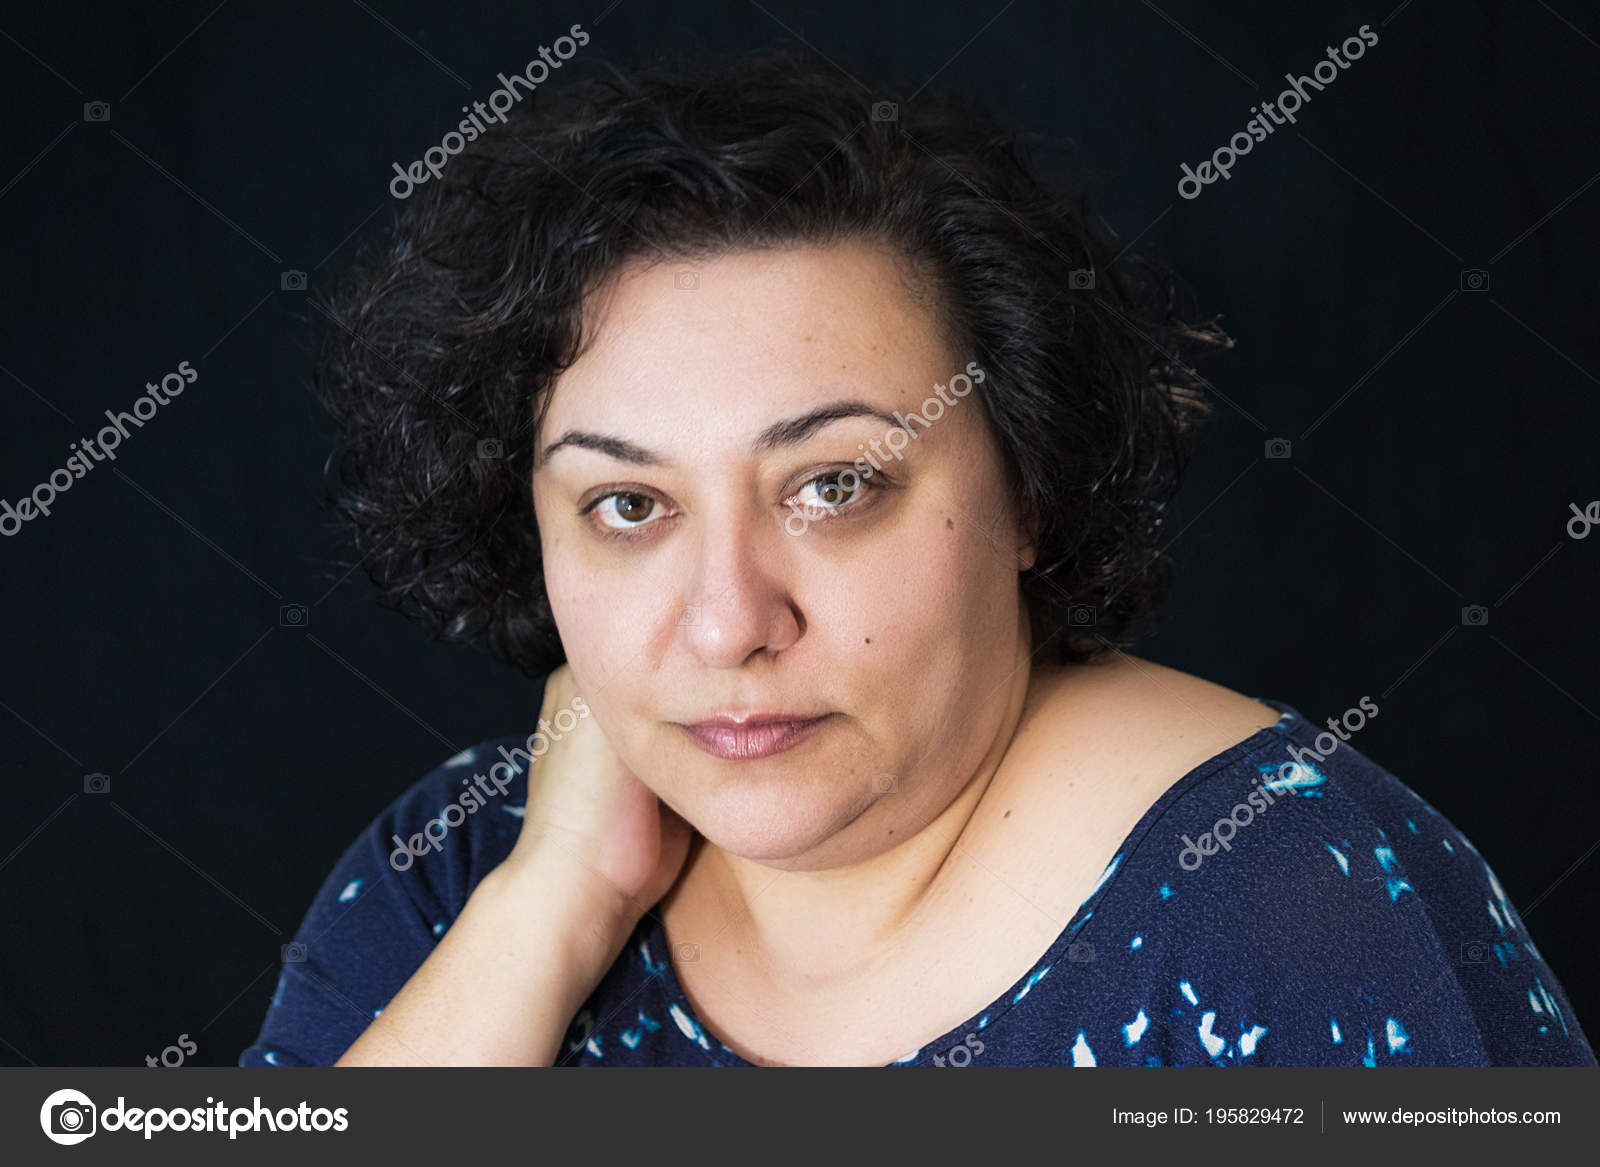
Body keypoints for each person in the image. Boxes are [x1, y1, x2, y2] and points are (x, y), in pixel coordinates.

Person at [240, 49, 1593, 1068]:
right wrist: (552, 907)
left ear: (1031, 490)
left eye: (835, 485)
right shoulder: (457, 868)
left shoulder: (1303, 910)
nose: (728, 623)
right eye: (629, 507)